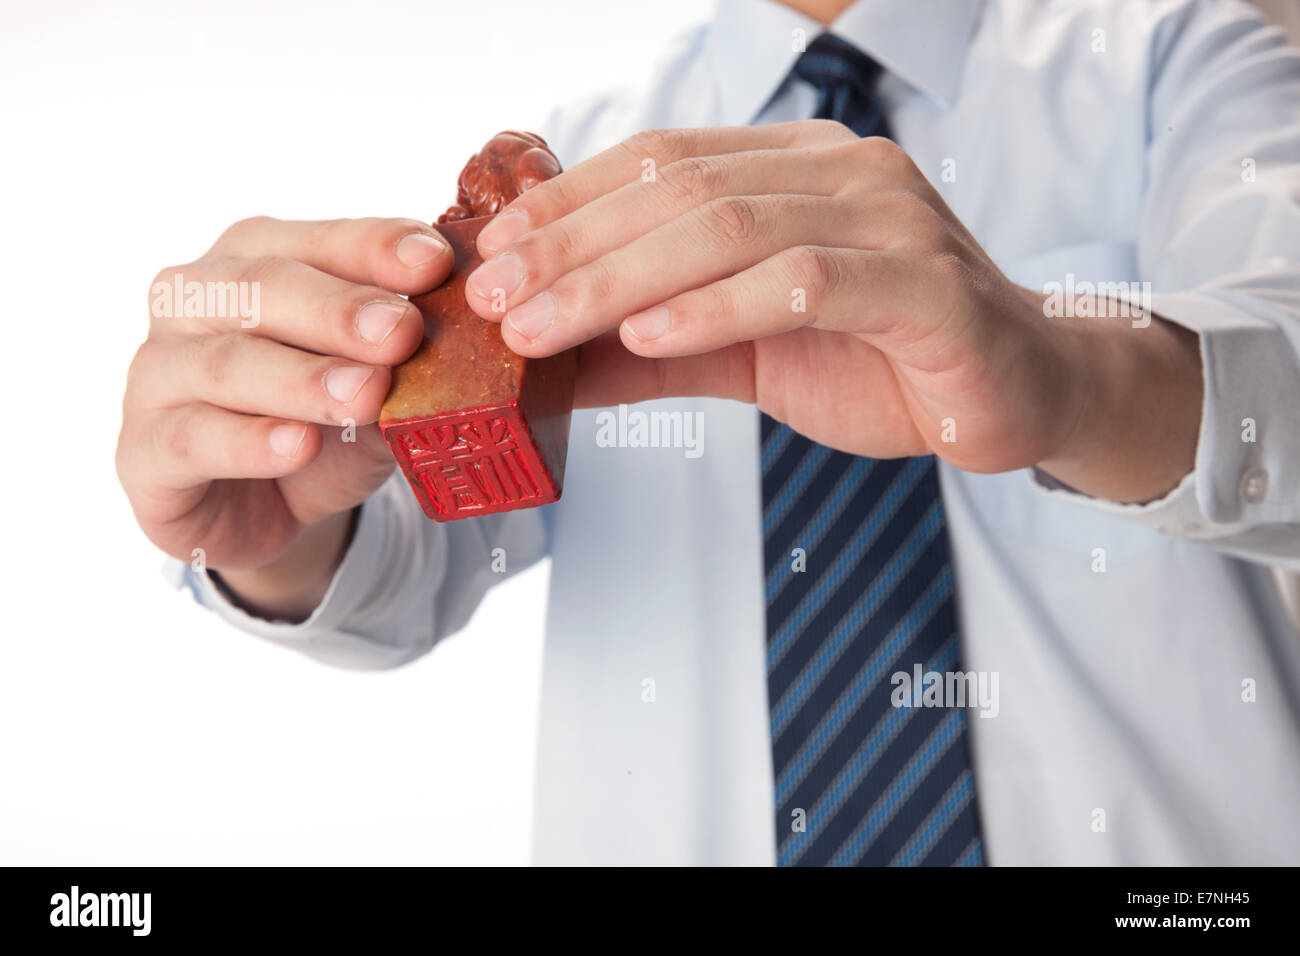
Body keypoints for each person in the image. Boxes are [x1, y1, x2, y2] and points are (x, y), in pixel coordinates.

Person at [117, 0, 1300, 865]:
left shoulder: (1175, 51)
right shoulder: (569, 166)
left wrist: (1074, 378)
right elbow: (427, 550)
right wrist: (275, 533)